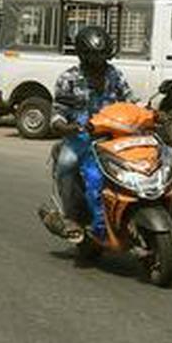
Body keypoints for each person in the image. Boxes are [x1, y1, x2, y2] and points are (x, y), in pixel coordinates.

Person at [39, 26, 134, 241]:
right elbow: (59, 111)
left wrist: (150, 115)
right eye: (94, 56)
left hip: (114, 137)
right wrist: (63, 126)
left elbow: (130, 101)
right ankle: (71, 216)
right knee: (66, 165)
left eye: (102, 56)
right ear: (83, 55)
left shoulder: (115, 75)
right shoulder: (69, 78)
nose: (99, 61)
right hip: (81, 138)